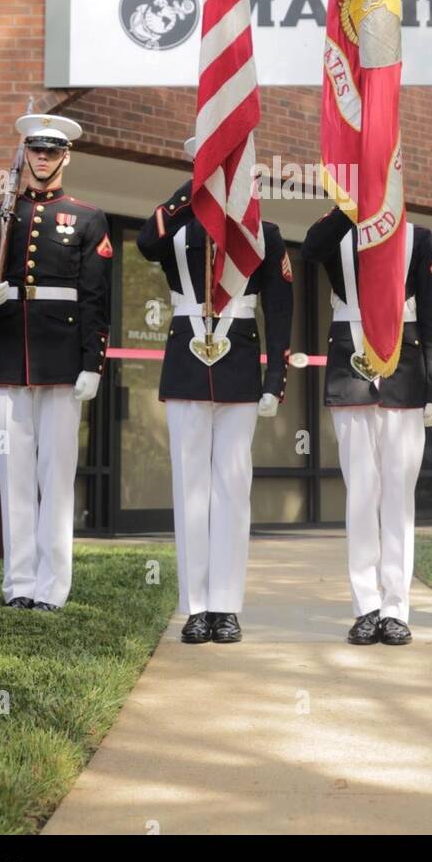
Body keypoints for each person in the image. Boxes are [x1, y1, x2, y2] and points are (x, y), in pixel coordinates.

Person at [136, 138, 293, 644]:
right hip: (187, 362)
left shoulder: (262, 231)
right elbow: (144, 242)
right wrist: (192, 191)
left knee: (232, 487)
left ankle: (226, 605)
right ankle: (195, 606)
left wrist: (276, 380)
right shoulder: (177, 226)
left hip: (240, 363)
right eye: (212, 164)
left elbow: (281, 312)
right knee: (190, 488)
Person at [0, 114, 112, 611]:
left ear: (66, 156)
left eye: (53, 150)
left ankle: (53, 588)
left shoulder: (88, 217)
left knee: (55, 477)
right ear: (25, 152)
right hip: (10, 356)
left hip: (61, 359)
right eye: (36, 149)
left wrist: (93, 362)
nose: (44, 158)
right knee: (13, 478)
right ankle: (19, 586)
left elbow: (96, 297)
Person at [302, 206, 432, 645]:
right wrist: (348, 209)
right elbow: (311, 250)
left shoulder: (418, 238)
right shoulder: (339, 231)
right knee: (362, 496)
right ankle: (366, 605)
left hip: (404, 375)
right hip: (351, 372)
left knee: (398, 498)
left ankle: (396, 609)